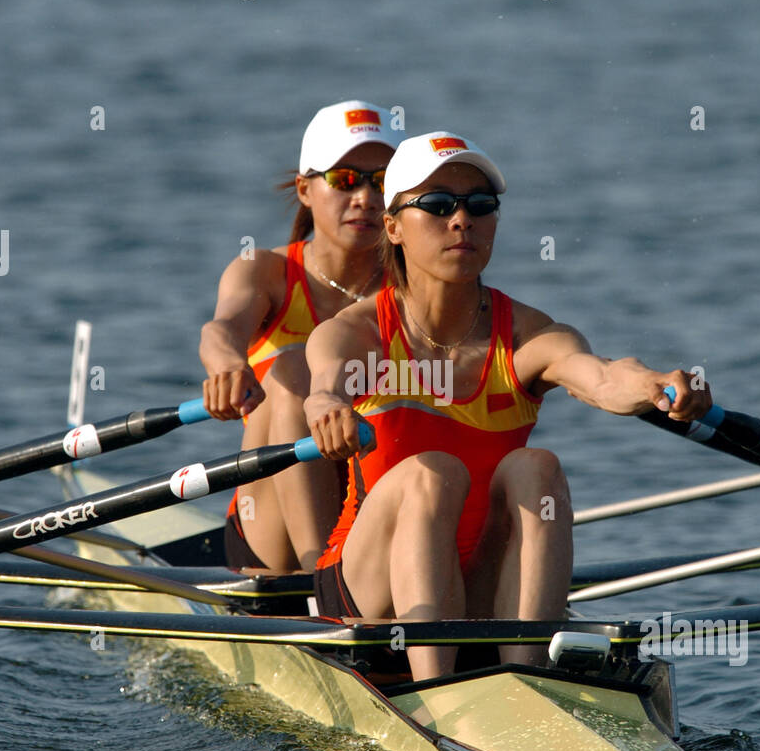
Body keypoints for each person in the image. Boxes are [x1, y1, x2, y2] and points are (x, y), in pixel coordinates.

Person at [304, 131, 713, 680]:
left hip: (478, 585)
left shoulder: (524, 334)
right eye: (437, 205)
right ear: (394, 226)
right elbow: (324, 386)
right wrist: (329, 408)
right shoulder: (356, 333)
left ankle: (526, 678)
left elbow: (600, 376)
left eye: (479, 206)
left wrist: (655, 386)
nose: (461, 220)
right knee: (431, 473)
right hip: (369, 597)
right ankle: (437, 691)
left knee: (537, 467)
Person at [199, 101, 403, 573]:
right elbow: (221, 329)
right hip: (273, 536)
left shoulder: (414, 288)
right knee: (292, 369)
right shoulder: (267, 272)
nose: (366, 198)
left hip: (376, 507)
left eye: (382, 181)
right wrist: (228, 366)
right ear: (305, 189)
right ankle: (324, 583)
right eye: (346, 179)